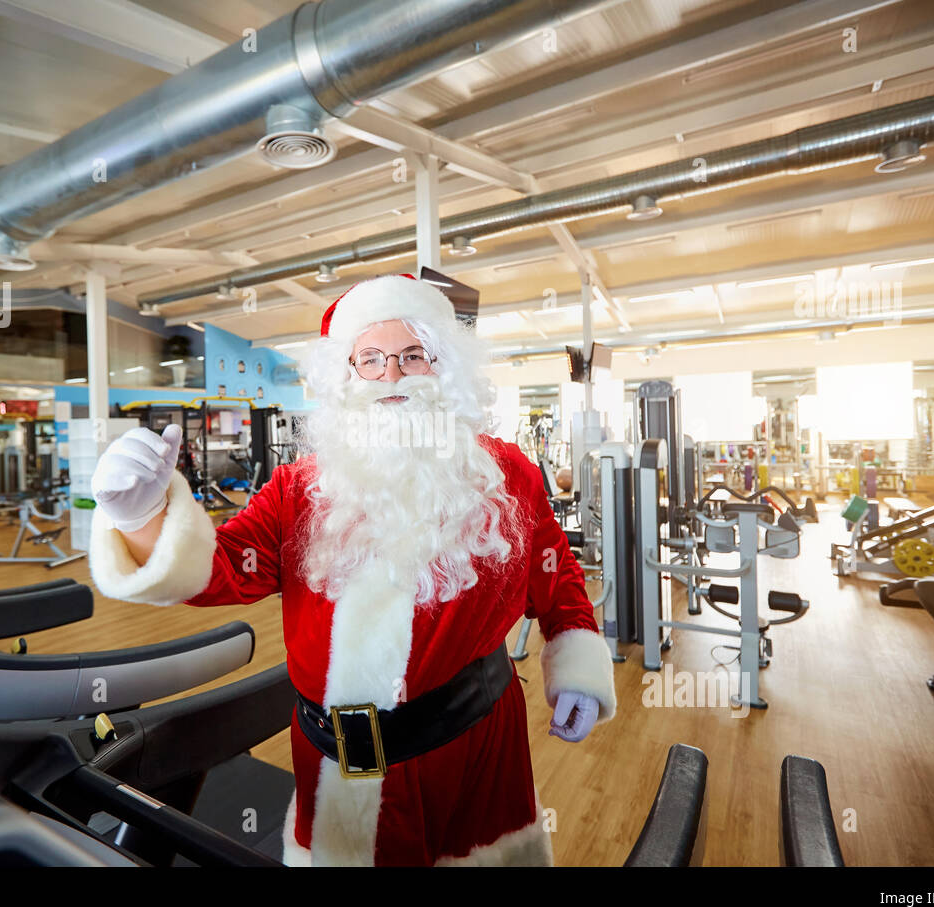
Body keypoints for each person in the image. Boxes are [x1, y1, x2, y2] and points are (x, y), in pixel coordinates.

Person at [88, 273, 616, 866]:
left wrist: (576, 665)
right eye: (370, 359)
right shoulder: (297, 490)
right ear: (346, 376)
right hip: (340, 762)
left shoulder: (507, 473)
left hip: (478, 747)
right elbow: (223, 569)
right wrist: (141, 518)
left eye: (412, 355)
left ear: (446, 368)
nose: (391, 376)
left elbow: (555, 571)